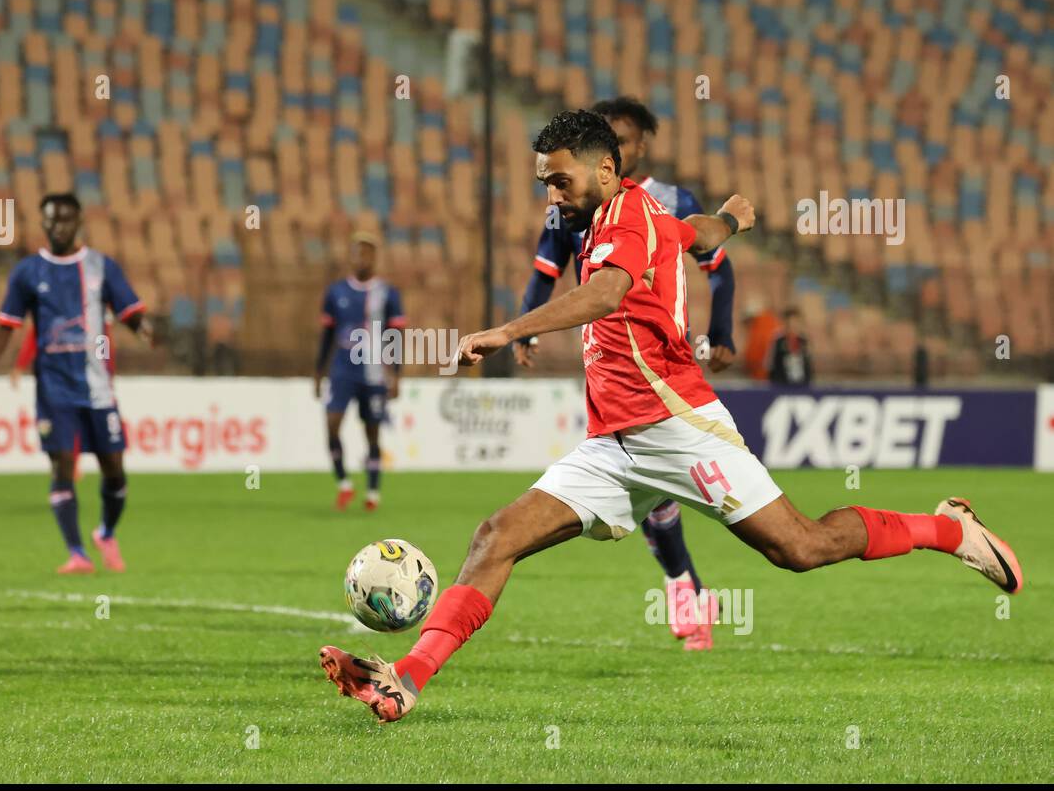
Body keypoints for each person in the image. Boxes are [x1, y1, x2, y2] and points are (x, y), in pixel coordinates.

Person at [319, 111, 1023, 723]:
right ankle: (405, 680)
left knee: (800, 549)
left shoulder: (624, 221)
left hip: (680, 428)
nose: (551, 194)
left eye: (559, 180)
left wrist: (507, 332)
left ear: (604, 169)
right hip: (614, 445)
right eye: (544, 182)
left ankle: (948, 529)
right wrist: (733, 222)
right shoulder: (628, 219)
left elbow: (604, 295)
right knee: (496, 536)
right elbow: (695, 232)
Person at [514, 96, 735, 649]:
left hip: (667, 367)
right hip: (610, 362)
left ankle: (687, 591)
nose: (620, 145)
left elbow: (716, 263)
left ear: (637, 148)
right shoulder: (568, 201)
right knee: (656, 501)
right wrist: (528, 326)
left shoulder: (669, 202)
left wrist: (725, 332)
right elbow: (546, 271)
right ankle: (686, 590)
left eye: (628, 138)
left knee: (710, 507)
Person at [0, 193, 152, 574]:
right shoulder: (29, 272)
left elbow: (132, 313)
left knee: (114, 468)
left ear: (79, 221)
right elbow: (5, 327)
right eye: (50, 219)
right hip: (54, 389)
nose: (57, 226)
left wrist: (147, 328)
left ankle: (106, 532)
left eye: (65, 219)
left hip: (98, 388)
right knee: (63, 464)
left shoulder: (101, 267)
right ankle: (77, 553)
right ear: (43, 222)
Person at [313, 232, 405, 512]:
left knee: (373, 433)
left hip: (374, 374)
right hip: (342, 372)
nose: (360, 259)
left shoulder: (388, 293)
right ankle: (344, 484)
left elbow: (395, 336)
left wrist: (396, 374)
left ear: (374, 258)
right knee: (331, 425)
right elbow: (327, 335)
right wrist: (318, 372)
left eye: (366, 254)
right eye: (356, 253)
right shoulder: (336, 292)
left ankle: (373, 491)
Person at [768, 308, 813, 387]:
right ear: (785, 324)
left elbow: (808, 366)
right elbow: (771, 366)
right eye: (789, 323)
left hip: (802, 387)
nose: (792, 326)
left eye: (795, 322)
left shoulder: (804, 342)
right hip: (782, 386)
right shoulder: (778, 342)